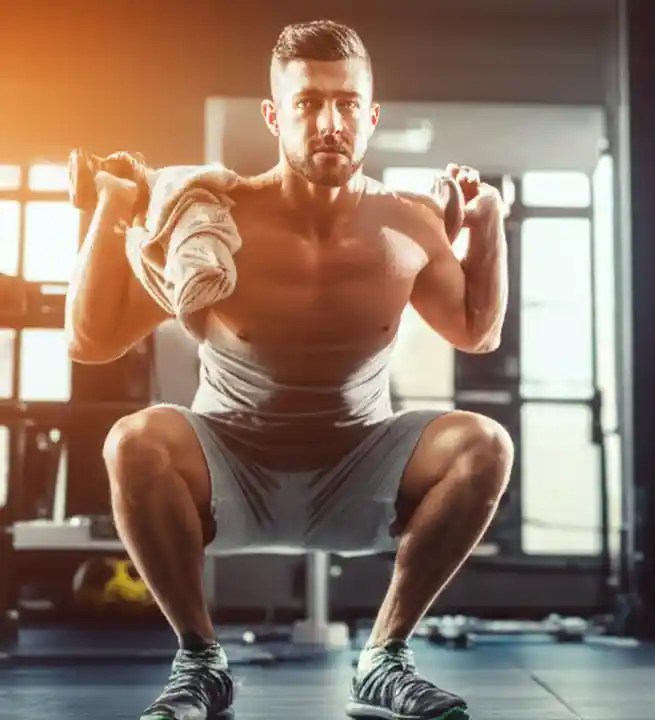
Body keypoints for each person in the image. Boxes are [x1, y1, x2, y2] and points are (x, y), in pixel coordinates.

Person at [66, 20, 508, 720]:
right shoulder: (209, 221)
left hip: (361, 464)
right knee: (133, 440)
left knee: (485, 443)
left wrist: (488, 226)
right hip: (228, 465)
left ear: (371, 114)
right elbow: (90, 341)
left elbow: (477, 333)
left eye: (345, 103)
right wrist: (112, 208)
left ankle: (385, 658)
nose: (329, 122)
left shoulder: (407, 226)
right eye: (307, 104)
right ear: (274, 115)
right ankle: (200, 662)